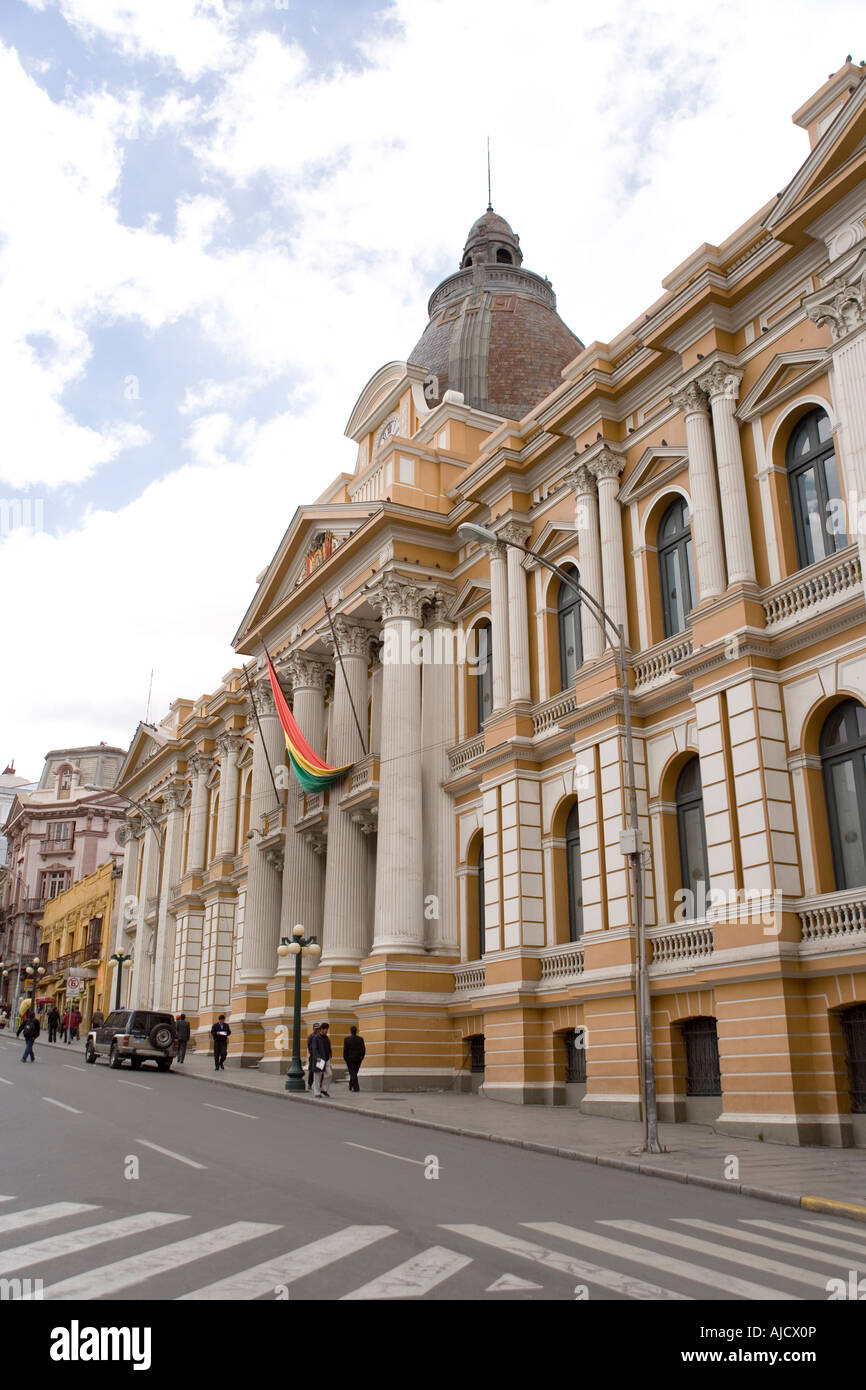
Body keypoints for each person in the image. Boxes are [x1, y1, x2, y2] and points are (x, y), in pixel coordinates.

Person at [309, 1021, 332, 1097]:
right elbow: (314, 1048)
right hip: (319, 1059)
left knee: (329, 1074)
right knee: (317, 1075)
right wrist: (317, 1057)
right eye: (326, 1029)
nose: (327, 1031)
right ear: (321, 1029)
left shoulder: (327, 1038)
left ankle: (323, 1089)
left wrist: (330, 1055)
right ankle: (317, 1092)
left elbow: (328, 1048)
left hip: (327, 1058)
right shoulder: (316, 1038)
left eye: (327, 1029)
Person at [342, 1025, 366, 1093]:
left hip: (350, 1059)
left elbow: (345, 1050)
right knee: (354, 1072)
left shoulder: (347, 1039)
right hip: (358, 1059)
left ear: (350, 1031)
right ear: (356, 1031)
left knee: (353, 1073)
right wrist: (361, 1057)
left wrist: (345, 1058)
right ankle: (351, 1085)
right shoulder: (360, 1039)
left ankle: (356, 1087)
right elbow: (363, 1049)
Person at [306, 1021, 320, 1090]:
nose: (317, 1030)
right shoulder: (311, 1036)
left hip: (319, 1056)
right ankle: (309, 1084)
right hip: (312, 1056)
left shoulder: (320, 1036)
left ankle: (318, 1085)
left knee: (319, 1070)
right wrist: (313, 1054)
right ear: (313, 1029)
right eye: (316, 1029)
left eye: (318, 1029)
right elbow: (309, 1046)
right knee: (311, 1070)